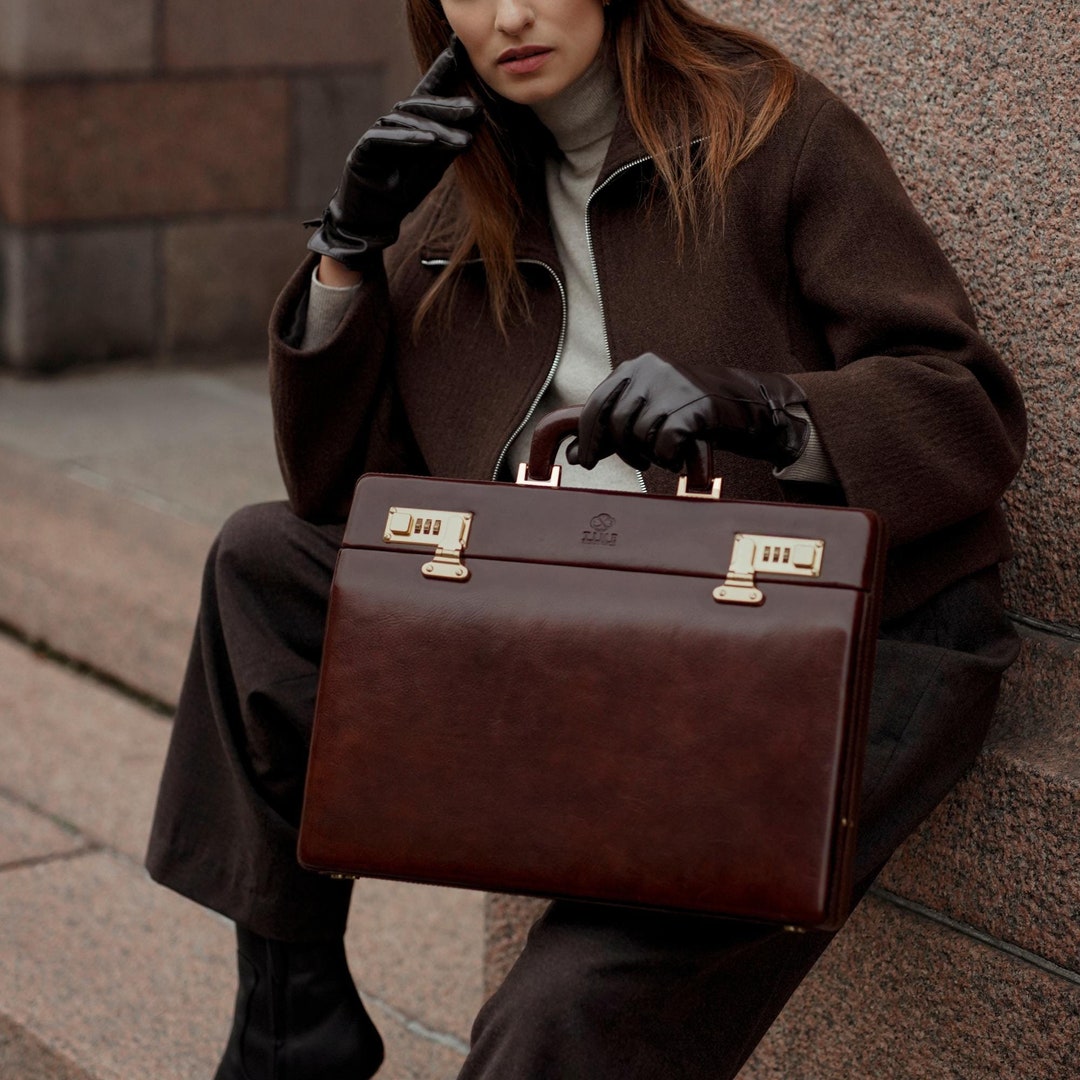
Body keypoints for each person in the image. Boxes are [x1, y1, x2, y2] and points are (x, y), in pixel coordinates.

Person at [145, 0, 1027, 1075]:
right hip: (594, 605)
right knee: (261, 561)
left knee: (560, 1013)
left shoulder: (769, 129)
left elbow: (967, 410)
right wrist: (346, 249)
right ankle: (292, 1020)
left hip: (830, 647)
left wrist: (766, 405)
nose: (510, 12)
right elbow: (339, 493)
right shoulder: (451, 192)